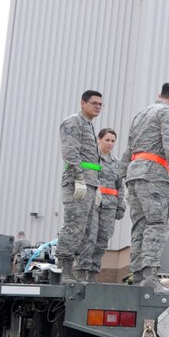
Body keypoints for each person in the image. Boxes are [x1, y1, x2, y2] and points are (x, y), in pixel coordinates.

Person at [122, 83, 169, 294]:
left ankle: (139, 275)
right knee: (157, 223)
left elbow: (128, 149)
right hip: (153, 174)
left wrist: (122, 176)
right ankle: (149, 279)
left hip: (134, 173)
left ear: (158, 95)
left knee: (140, 225)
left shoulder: (140, 115)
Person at [56, 90, 103, 283]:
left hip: (90, 184)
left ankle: (76, 271)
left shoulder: (89, 126)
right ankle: (65, 270)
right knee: (74, 226)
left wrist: (96, 185)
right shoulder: (73, 122)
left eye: (100, 104)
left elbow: (91, 159)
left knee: (86, 230)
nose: (98, 107)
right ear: (83, 103)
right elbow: (70, 152)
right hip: (78, 183)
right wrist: (79, 179)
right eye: (94, 103)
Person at [78, 128, 126, 283]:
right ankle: (81, 272)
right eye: (107, 140)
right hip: (92, 204)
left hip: (109, 207)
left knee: (102, 240)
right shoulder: (91, 159)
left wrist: (121, 206)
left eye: (113, 141)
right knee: (89, 238)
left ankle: (92, 275)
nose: (110, 143)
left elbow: (120, 186)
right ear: (99, 140)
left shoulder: (117, 164)